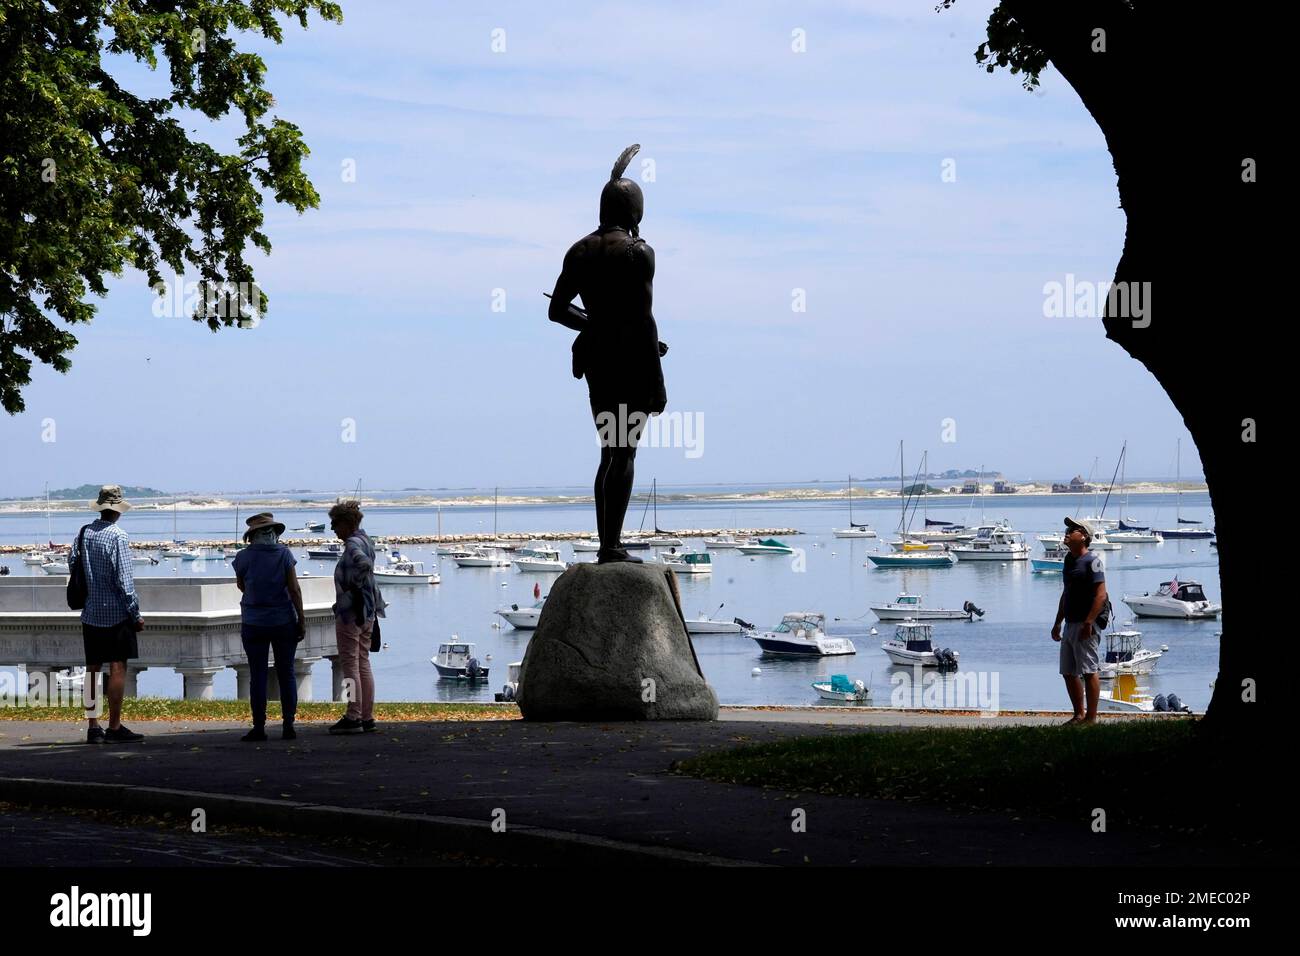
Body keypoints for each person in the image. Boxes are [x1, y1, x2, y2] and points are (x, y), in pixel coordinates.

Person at [549, 143, 668, 564]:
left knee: (608, 450)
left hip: (598, 360)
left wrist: (596, 325)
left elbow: (557, 309)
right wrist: (656, 377)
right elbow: (642, 319)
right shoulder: (639, 253)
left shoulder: (579, 250)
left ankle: (606, 545)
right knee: (626, 450)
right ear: (634, 211)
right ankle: (611, 547)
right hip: (630, 363)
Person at [71, 485, 145, 744]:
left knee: (92, 670)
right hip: (116, 614)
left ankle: (93, 726)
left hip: (90, 612)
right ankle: (114, 726)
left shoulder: (84, 533)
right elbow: (125, 581)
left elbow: (72, 564)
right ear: (117, 511)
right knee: (117, 667)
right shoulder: (118, 537)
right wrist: (135, 614)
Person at [232, 513, 305, 741]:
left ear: (251, 535)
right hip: (283, 619)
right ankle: (288, 725)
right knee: (287, 673)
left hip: (254, 621)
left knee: (258, 675)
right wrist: (301, 618)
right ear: (274, 533)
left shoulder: (242, 557)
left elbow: (241, 585)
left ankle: (259, 727)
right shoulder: (284, 554)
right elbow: (294, 589)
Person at [327, 500, 383, 734]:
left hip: (351, 613)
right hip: (368, 611)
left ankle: (353, 716)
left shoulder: (352, 544)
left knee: (350, 664)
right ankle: (366, 715)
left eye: (334, 524)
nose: (332, 529)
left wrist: (352, 589)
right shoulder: (365, 539)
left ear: (346, 524)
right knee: (362, 662)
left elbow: (364, 564)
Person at [1051, 516, 1109, 725]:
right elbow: (1066, 593)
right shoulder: (1069, 560)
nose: (1067, 532)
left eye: (1073, 530)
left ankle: (1091, 718)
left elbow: (1101, 595)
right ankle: (1078, 715)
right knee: (1068, 671)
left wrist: (1088, 623)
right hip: (1070, 623)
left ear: (1084, 536)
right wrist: (1058, 622)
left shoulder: (1092, 561)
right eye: (1067, 529)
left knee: (1089, 670)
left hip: (1086, 624)